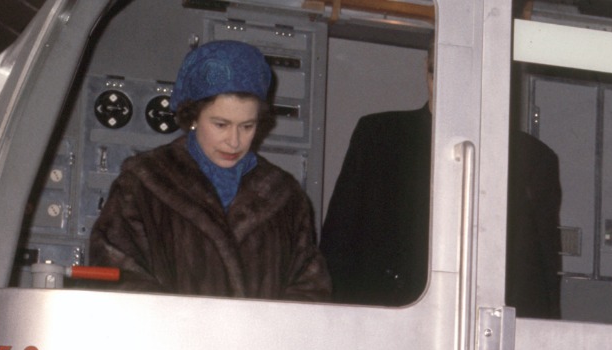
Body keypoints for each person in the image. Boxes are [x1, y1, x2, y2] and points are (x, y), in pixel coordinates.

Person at [320, 52, 563, 316]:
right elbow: (337, 247)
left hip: (482, 327)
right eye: (437, 68)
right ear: (426, 66)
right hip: (389, 324)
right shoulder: (378, 137)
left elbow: (540, 276)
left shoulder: (529, 157)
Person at [89, 40, 331, 300]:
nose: (234, 141)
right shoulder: (143, 184)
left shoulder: (285, 197)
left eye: (247, 126)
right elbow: (116, 278)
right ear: (193, 116)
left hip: (259, 341)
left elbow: (311, 290)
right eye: (220, 125)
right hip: (171, 339)